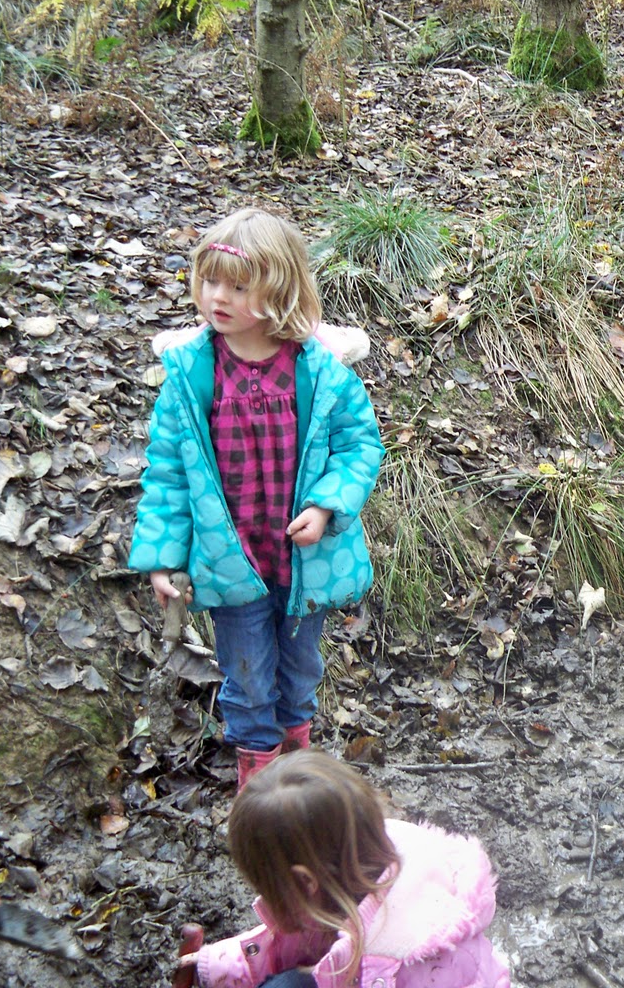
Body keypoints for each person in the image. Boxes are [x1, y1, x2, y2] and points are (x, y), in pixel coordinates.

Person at [128, 208, 384, 790]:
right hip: (229, 558)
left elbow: (358, 446)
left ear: (281, 291)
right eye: (209, 280)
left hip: (304, 559)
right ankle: (260, 785)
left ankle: (299, 769)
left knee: (299, 671)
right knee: (246, 674)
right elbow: (166, 474)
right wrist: (165, 555)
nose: (218, 297)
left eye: (239, 286)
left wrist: (325, 505)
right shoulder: (192, 376)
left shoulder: (319, 372)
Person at [183, 752, 511, 987]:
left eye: (268, 890)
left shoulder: (397, 961)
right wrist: (222, 967)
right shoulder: (358, 863)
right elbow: (299, 938)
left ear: (305, 881)